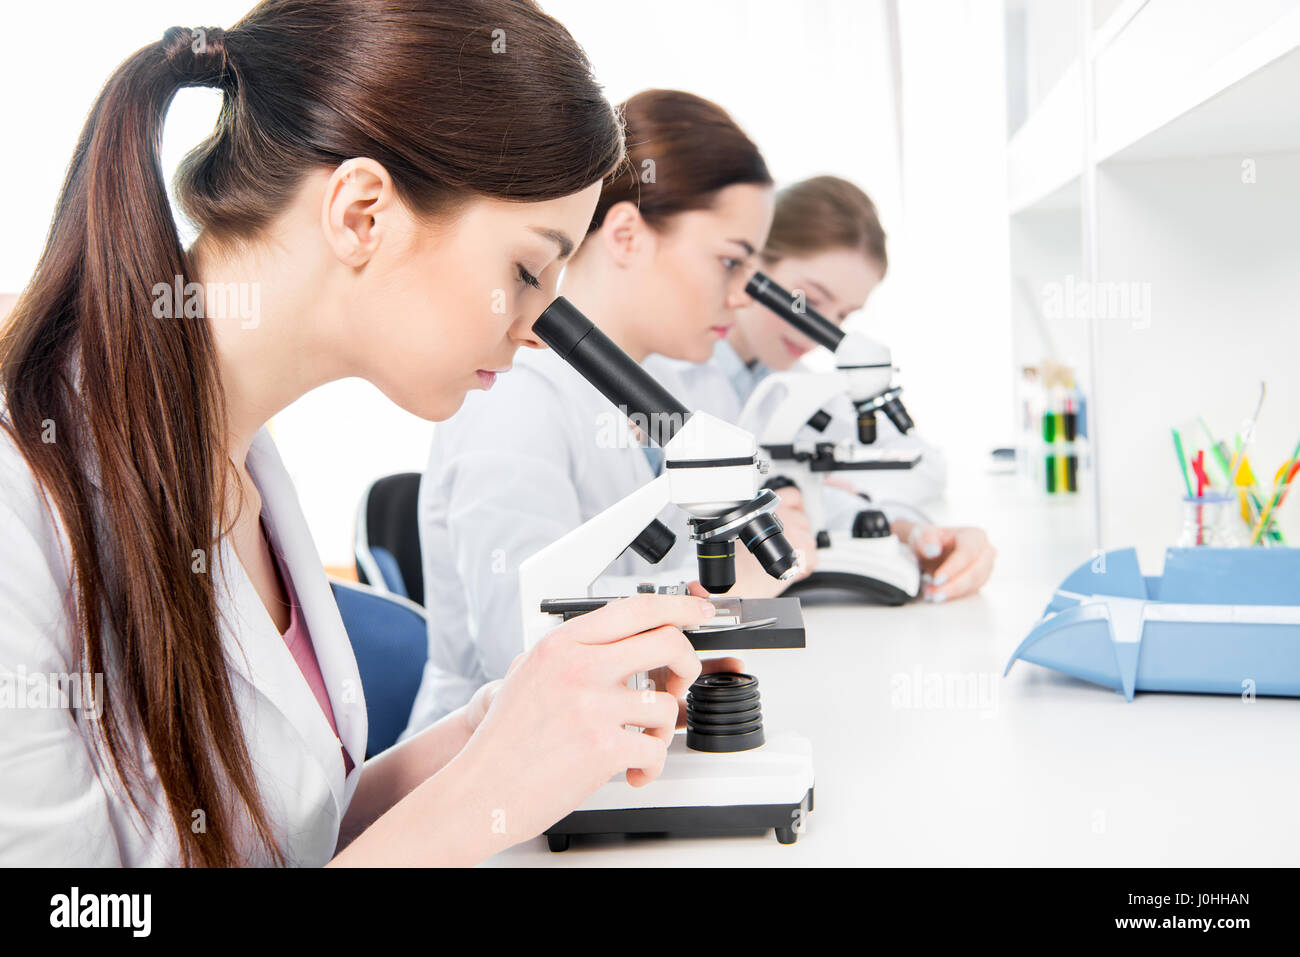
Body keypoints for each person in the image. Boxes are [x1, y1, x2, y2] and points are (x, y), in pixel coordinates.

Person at [0, 0, 718, 867]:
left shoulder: (244, 458)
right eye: (527, 270)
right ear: (362, 212)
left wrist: (485, 735)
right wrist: (477, 802)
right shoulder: (20, 493)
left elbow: (289, 839)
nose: (534, 327)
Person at [404, 90, 814, 733]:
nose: (741, 297)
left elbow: (768, 493)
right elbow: (520, 651)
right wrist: (715, 597)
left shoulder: (681, 384)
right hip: (488, 778)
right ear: (625, 234)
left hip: (623, 736)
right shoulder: (511, 394)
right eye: (730, 262)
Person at [647, 176, 995, 603]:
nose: (820, 333)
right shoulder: (664, 378)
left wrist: (913, 531)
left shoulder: (801, 384)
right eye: (809, 303)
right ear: (752, 266)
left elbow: (924, 466)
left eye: (843, 315)